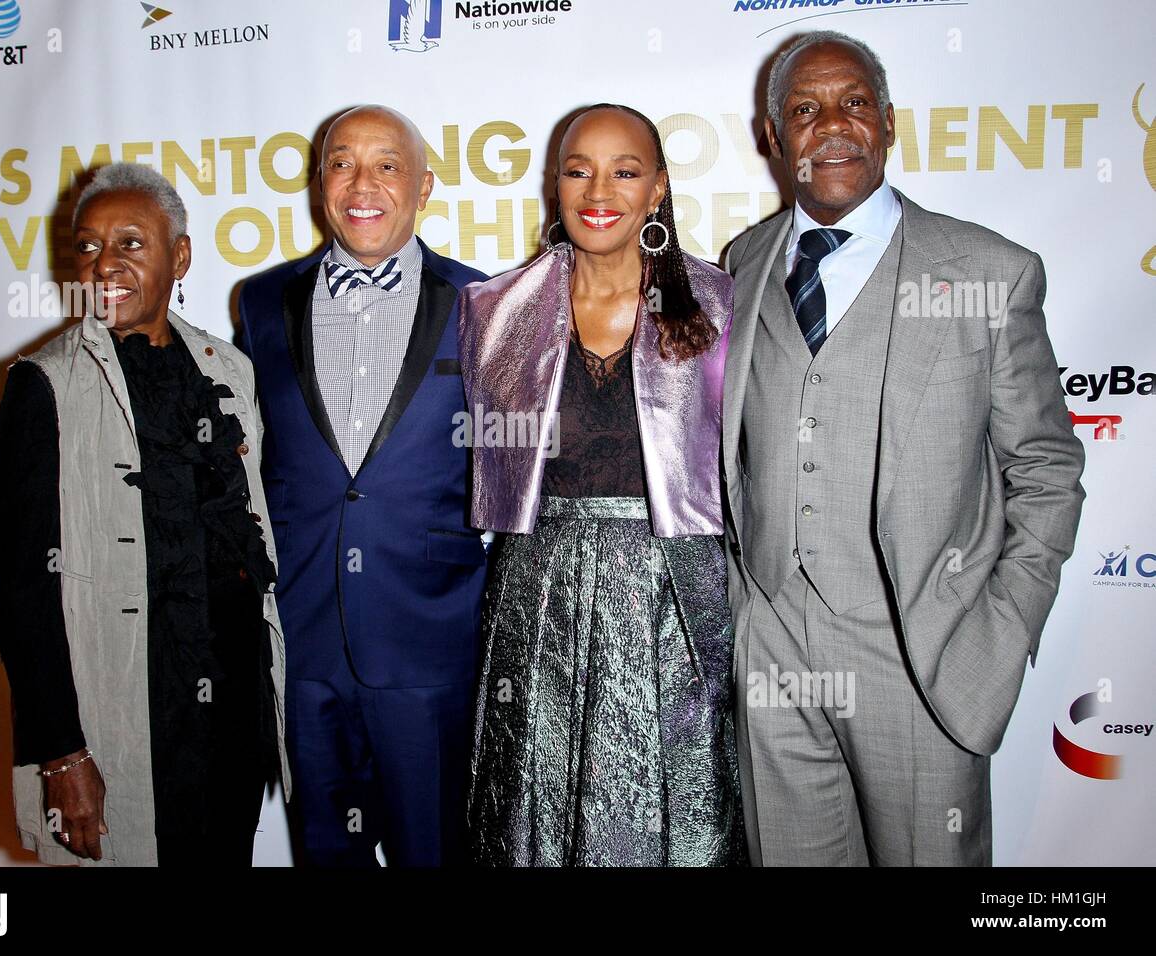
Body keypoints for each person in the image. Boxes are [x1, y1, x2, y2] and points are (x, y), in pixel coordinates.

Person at [723, 31, 1086, 865]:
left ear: (889, 123)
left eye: (854, 103)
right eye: (805, 110)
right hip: (773, 645)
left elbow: (1046, 470)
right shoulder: (742, 264)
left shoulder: (990, 269)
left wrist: (991, 644)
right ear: (775, 138)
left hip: (922, 655)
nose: (834, 126)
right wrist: (748, 618)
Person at [458, 103, 746, 866]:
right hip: (536, 591)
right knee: (532, 808)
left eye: (625, 171)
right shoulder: (494, 310)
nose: (599, 189)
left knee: (677, 810)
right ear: (556, 186)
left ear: (657, 191)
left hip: (677, 591)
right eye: (578, 169)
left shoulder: (723, 304)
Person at [0, 162, 290, 866]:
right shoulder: (43, 387)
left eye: (129, 243)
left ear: (180, 256)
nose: (104, 265)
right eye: (87, 247)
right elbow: (21, 593)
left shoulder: (228, 370)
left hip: (231, 705)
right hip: (128, 706)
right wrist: (60, 754)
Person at [239, 105, 488, 867]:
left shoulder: (482, 300)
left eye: (388, 164)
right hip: (305, 641)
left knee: (434, 852)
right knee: (325, 853)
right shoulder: (260, 301)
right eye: (342, 162)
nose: (363, 183)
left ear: (424, 186)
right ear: (321, 184)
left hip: (428, 642)